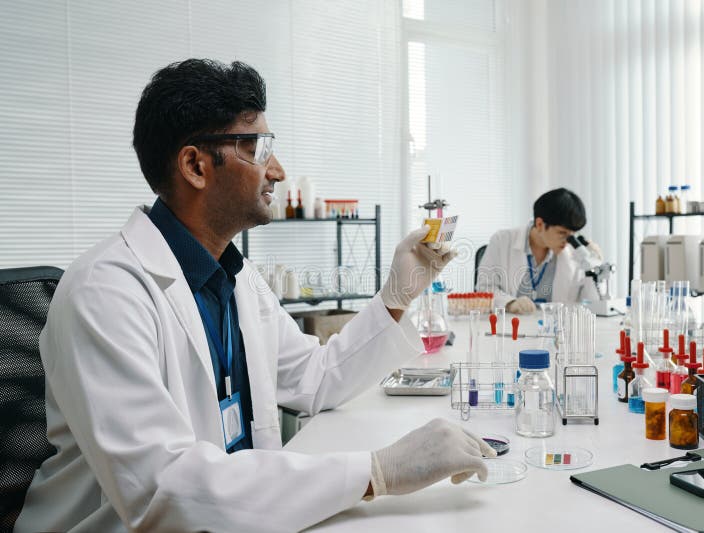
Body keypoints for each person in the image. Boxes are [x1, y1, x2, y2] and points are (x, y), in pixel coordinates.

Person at [15, 59, 494, 533]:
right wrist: (376, 472)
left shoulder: (235, 277)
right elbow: (167, 490)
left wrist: (397, 294)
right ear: (195, 166)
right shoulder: (106, 293)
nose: (278, 171)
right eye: (259, 148)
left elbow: (315, 378)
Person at [476, 188, 600, 313]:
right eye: (562, 233)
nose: (567, 241)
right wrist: (509, 303)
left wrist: (594, 265)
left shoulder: (575, 254)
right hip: (511, 322)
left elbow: (593, 302)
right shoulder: (502, 240)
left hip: (554, 324)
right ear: (540, 224)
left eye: (572, 235)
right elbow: (484, 288)